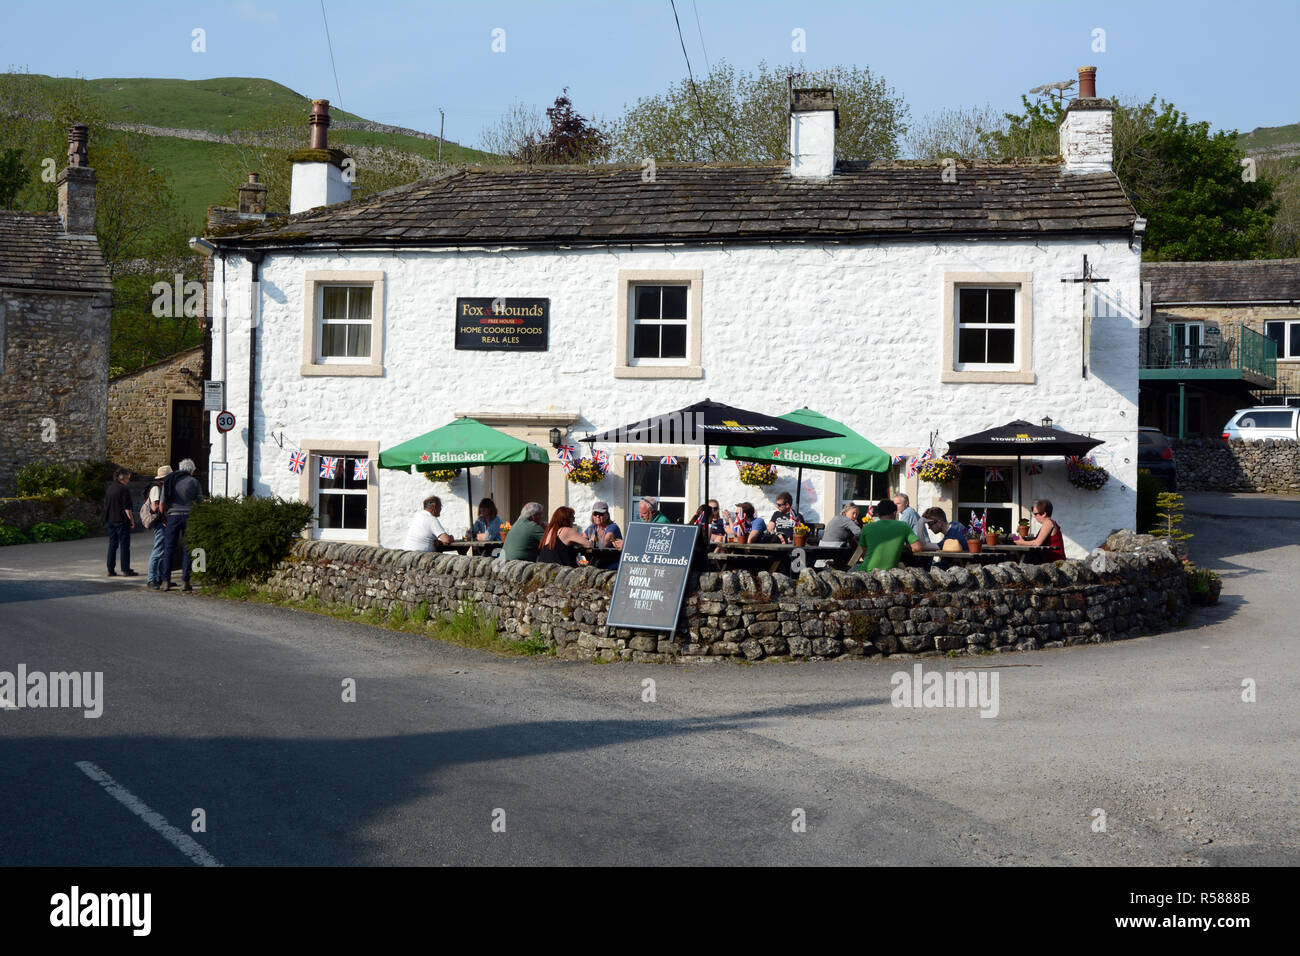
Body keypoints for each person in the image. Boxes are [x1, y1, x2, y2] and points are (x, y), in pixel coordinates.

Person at [161, 458, 202, 591]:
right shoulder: (194, 482)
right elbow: (199, 502)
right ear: (190, 470)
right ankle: (185, 581)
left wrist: (164, 515)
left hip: (172, 515)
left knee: (168, 548)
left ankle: (166, 581)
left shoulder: (170, 481)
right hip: (189, 516)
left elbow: (162, 504)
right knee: (187, 548)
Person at [856, 497, 922, 571]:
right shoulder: (903, 526)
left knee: (849, 570)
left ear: (878, 514)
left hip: (867, 571)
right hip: (888, 573)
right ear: (894, 513)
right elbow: (917, 548)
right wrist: (903, 547)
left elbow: (864, 553)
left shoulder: (867, 527)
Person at [104, 467, 137, 578]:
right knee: (124, 546)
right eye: (128, 478)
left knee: (112, 545)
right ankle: (125, 569)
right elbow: (127, 508)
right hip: (121, 521)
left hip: (110, 520)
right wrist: (132, 520)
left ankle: (110, 569)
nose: (129, 480)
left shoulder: (110, 488)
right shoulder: (123, 489)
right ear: (123, 478)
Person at [146, 465, 172, 590]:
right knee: (158, 551)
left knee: (162, 551)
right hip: (159, 522)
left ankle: (161, 578)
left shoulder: (161, 487)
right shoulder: (156, 488)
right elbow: (155, 507)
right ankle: (151, 579)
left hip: (162, 521)